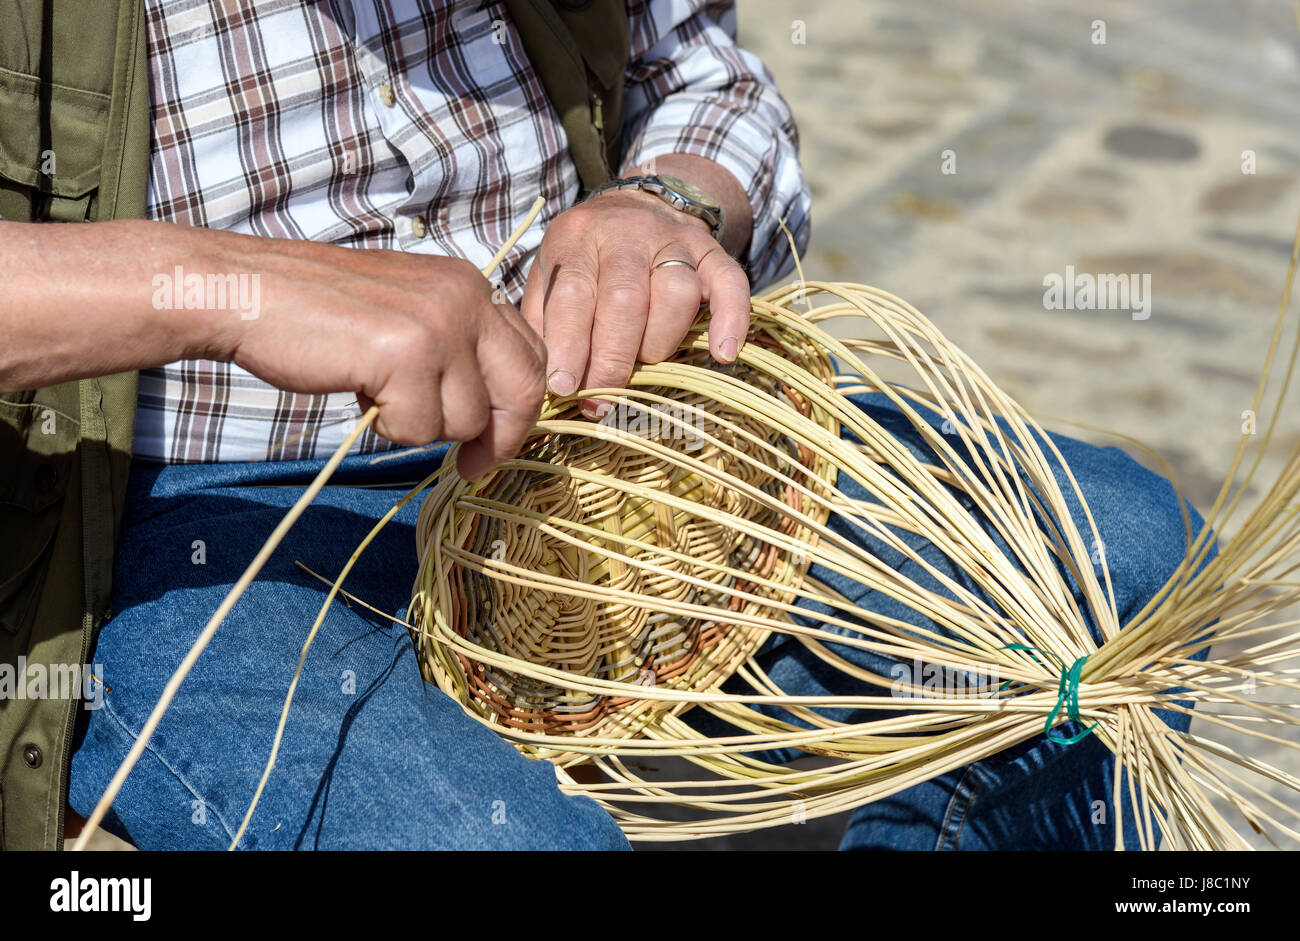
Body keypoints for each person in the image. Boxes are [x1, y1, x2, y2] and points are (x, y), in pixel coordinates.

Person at [0, 0, 1202, 850]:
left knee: (1119, 576)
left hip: (596, 429)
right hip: (177, 509)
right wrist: (219, 289)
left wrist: (663, 198)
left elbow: (703, 72)